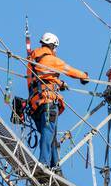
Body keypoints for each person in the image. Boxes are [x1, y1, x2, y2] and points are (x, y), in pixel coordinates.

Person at [27, 31, 89, 169]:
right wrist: (84, 76)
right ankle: (43, 163)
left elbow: (42, 77)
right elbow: (69, 70)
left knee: (50, 136)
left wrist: (59, 83)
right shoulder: (50, 59)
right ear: (53, 46)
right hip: (47, 101)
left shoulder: (33, 60)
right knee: (48, 134)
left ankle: (56, 167)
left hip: (35, 105)